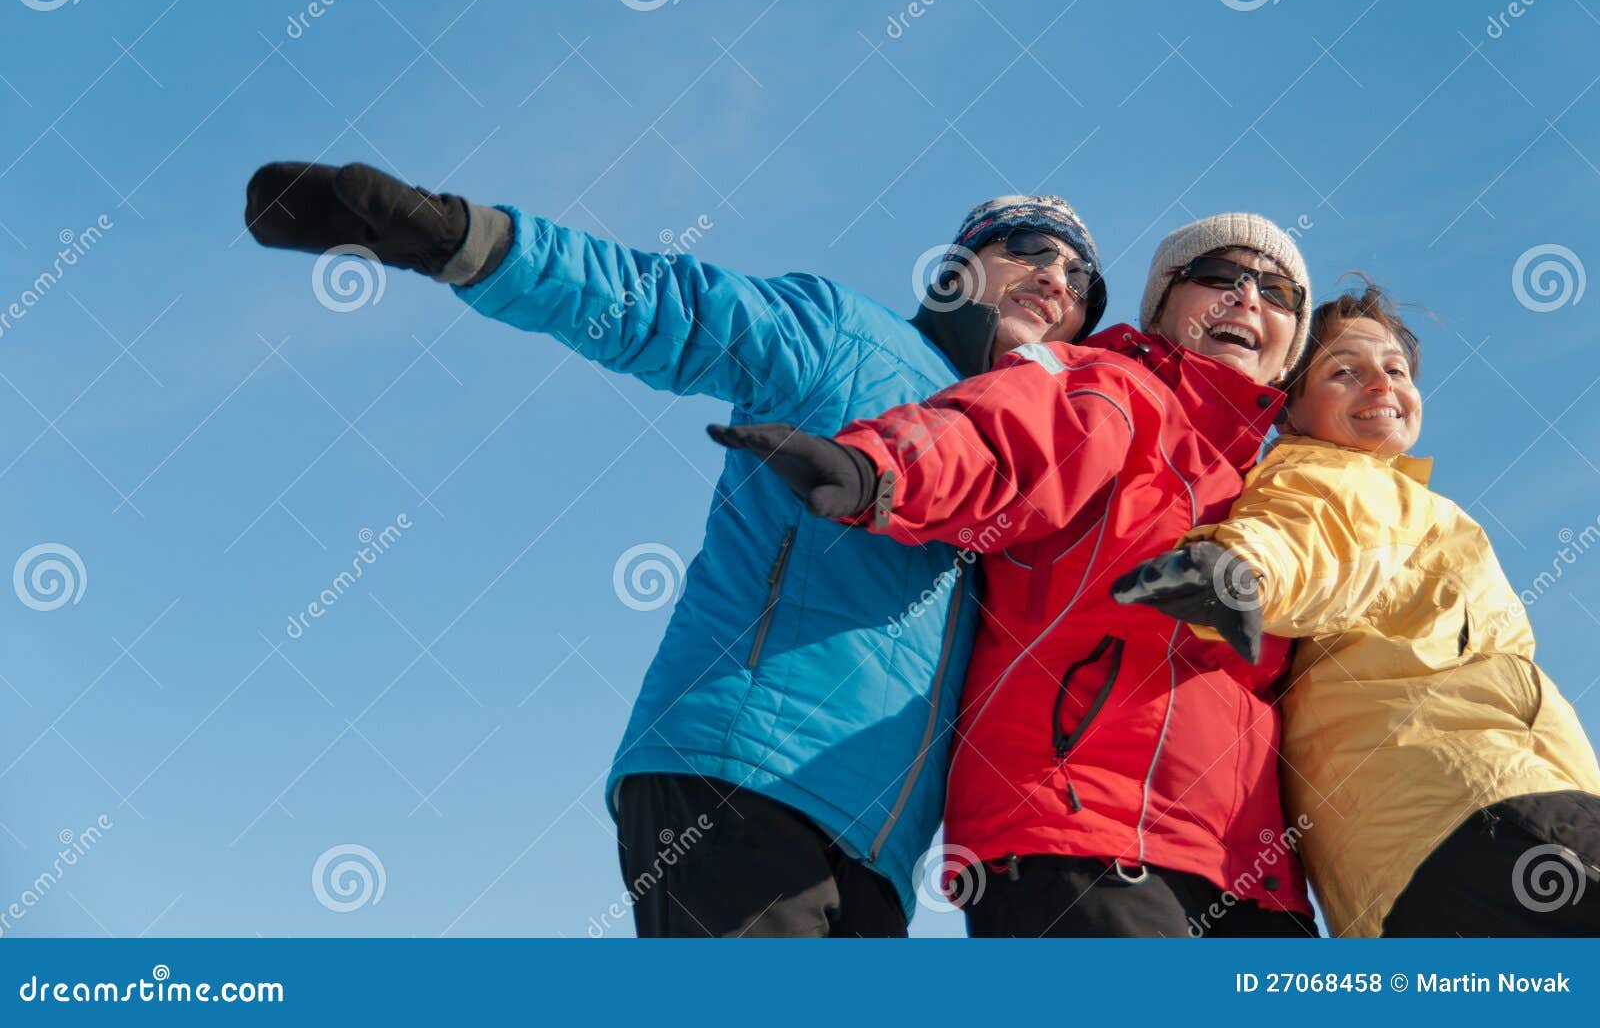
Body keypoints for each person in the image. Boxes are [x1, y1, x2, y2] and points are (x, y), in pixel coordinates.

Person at [243, 162, 1105, 936]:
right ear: (963, 265)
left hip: (882, 850)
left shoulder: (1045, 478)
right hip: (741, 776)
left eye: (1080, 278)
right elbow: (663, 307)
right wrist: (459, 238)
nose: (1055, 277)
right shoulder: (847, 340)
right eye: (1029, 247)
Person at [712, 213, 1319, 936]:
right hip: (1082, 838)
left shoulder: (1290, 487)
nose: (1248, 297)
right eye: (1220, 276)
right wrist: (881, 469)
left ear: (1291, 353)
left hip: (1252, 876)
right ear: (1162, 307)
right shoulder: (1113, 388)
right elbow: (1002, 438)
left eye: (1277, 291)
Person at [1113, 282, 1600, 936]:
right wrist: (1237, 574)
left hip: (1420, 858)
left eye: (1395, 369)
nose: (1380, 385)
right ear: (1291, 409)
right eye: (1344, 373)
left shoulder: (1390, 492)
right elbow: (1303, 538)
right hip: (1471, 807)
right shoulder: (1328, 478)